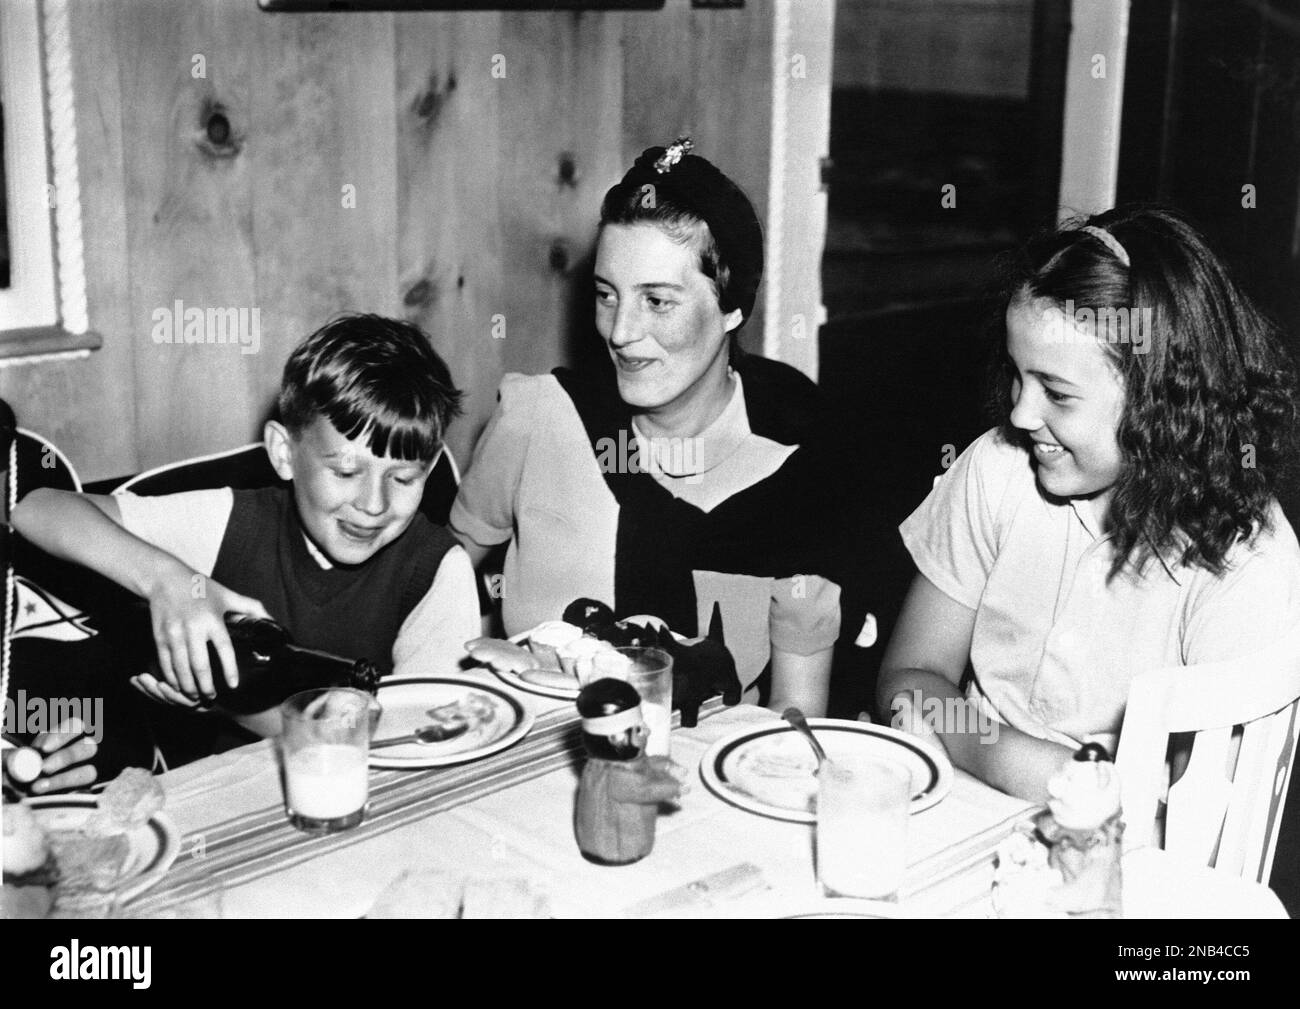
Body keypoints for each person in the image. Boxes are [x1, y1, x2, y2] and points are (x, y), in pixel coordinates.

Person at [878, 205, 1300, 802]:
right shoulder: (996, 471)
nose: (1022, 415)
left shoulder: (1244, 560)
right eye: (1019, 376)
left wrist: (975, 741)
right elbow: (911, 676)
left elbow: (1194, 815)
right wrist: (1002, 752)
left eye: (1056, 391)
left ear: (1160, 400)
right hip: (963, 798)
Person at [451, 139, 849, 716]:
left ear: (733, 306)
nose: (619, 332)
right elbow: (437, 577)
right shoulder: (537, 417)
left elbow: (795, 716)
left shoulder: (799, 455)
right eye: (606, 295)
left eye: (657, 301)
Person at [12, 314, 480, 740]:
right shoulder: (232, 522)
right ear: (283, 453)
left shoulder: (436, 570)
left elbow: (411, 742)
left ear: (430, 467)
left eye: (403, 478)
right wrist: (169, 580)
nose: (373, 504)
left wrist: (225, 702)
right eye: (344, 472)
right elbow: (36, 510)